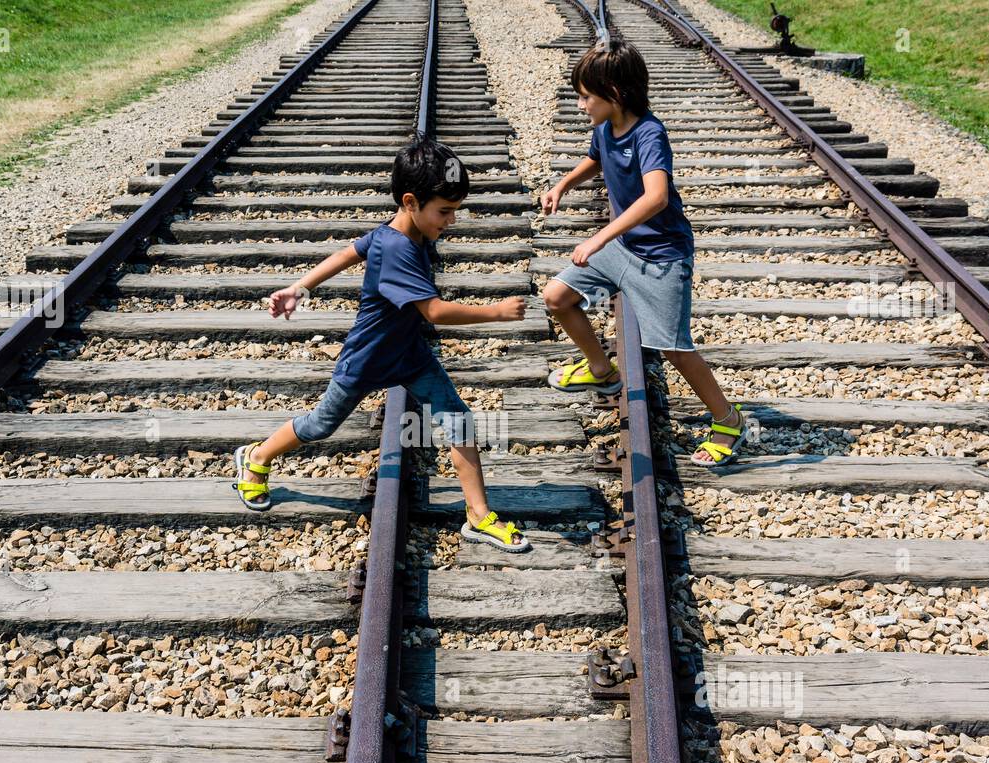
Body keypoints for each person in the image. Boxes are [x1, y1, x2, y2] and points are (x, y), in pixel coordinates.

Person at [233, 138, 532, 551]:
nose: (451, 221)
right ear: (410, 202)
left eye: (455, 211)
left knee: (458, 420)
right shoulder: (396, 249)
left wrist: (298, 289)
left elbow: (346, 253)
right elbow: (436, 312)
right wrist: (496, 312)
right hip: (368, 359)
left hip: (409, 354)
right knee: (321, 425)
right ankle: (258, 456)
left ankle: (478, 515)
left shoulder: (400, 233)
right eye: (444, 212)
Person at [541, 39, 748, 466]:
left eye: (586, 96)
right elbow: (595, 159)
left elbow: (655, 197)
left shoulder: (650, 133)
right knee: (556, 297)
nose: (581, 105)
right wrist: (563, 184)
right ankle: (601, 371)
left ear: (614, 95)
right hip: (624, 248)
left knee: (673, 346)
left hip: (662, 258)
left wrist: (599, 238)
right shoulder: (605, 128)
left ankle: (729, 421)